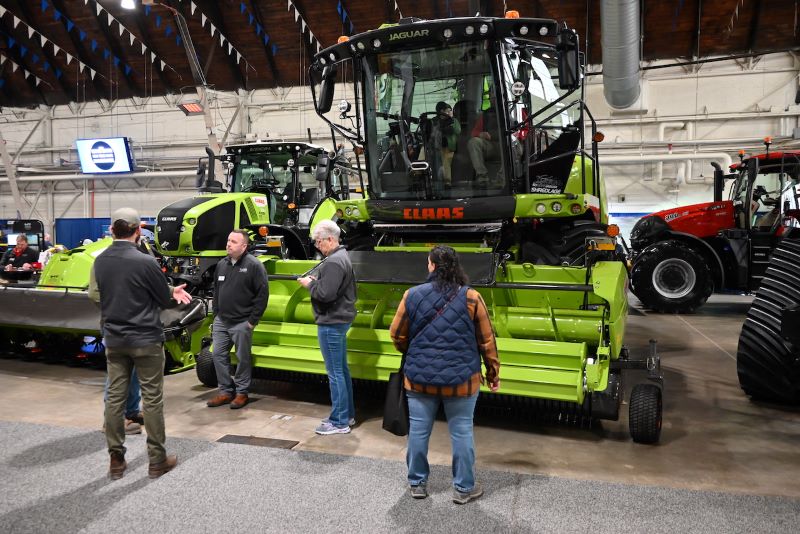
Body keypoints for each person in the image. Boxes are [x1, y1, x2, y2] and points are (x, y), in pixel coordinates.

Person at [389, 245, 500, 504]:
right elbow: (487, 341)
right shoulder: (472, 297)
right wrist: (493, 373)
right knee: (461, 432)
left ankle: (417, 484)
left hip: (419, 378)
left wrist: (415, 351)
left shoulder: (412, 295)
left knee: (418, 430)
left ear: (431, 266)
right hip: (462, 380)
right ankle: (463, 489)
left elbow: (396, 334)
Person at [89, 207, 192, 480]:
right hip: (146, 339)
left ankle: (116, 460)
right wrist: (172, 291)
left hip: (114, 339)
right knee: (153, 400)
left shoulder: (100, 261)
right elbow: (163, 298)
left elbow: (99, 293)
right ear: (138, 231)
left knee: (115, 399)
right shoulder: (145, 261)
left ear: (112, 230)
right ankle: (157, 461)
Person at [297, 220, 357, 435]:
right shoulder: (341, 257)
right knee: (341, 370)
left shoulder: (332, 262)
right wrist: (318, 281)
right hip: (339, 319)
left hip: (332, 321)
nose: (317, 245)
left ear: (331, 239)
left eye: (319, 241)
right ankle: (347, 414)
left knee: (335, 373)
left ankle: (339, 422)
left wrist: (310, 284)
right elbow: (331, 287)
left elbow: (325, 294)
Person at [206, 230, 269, 410]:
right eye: (228, 240)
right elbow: (217, 290)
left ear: (244, 246)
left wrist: (252, 321)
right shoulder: (222, 264)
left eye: (233, 242)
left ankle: (242, 393)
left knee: (243, 358)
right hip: (222, 321)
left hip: (242, 322)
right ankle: (226, 391)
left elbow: (262, 295)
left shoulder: (254, 266)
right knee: (218, 354)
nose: (228, 244)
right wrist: (216, 313)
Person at [467, 98, 501, 186]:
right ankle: (482, 176)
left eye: (494, 95)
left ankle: (501, 178)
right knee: (473, 142)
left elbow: (517, 133)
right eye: (491, 96)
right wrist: (480, 134)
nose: (492, 98)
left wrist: (493, 135)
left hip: (506, 144)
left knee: (513, 143)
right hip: (490, 145)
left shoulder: (513, 113)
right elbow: (474, 133)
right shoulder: (485, 115)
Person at [431, 101, 461, 185]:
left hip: (449, 147)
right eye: (446, 111)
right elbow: (432, 134)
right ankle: (418, 173)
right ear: (440, 113)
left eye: (450, 110)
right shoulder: (435, 122)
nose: (449, 113)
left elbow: (458, 130)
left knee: (446, 160)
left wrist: (450, 126)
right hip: (437, 146)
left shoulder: (454, 121)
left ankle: (447, 181)